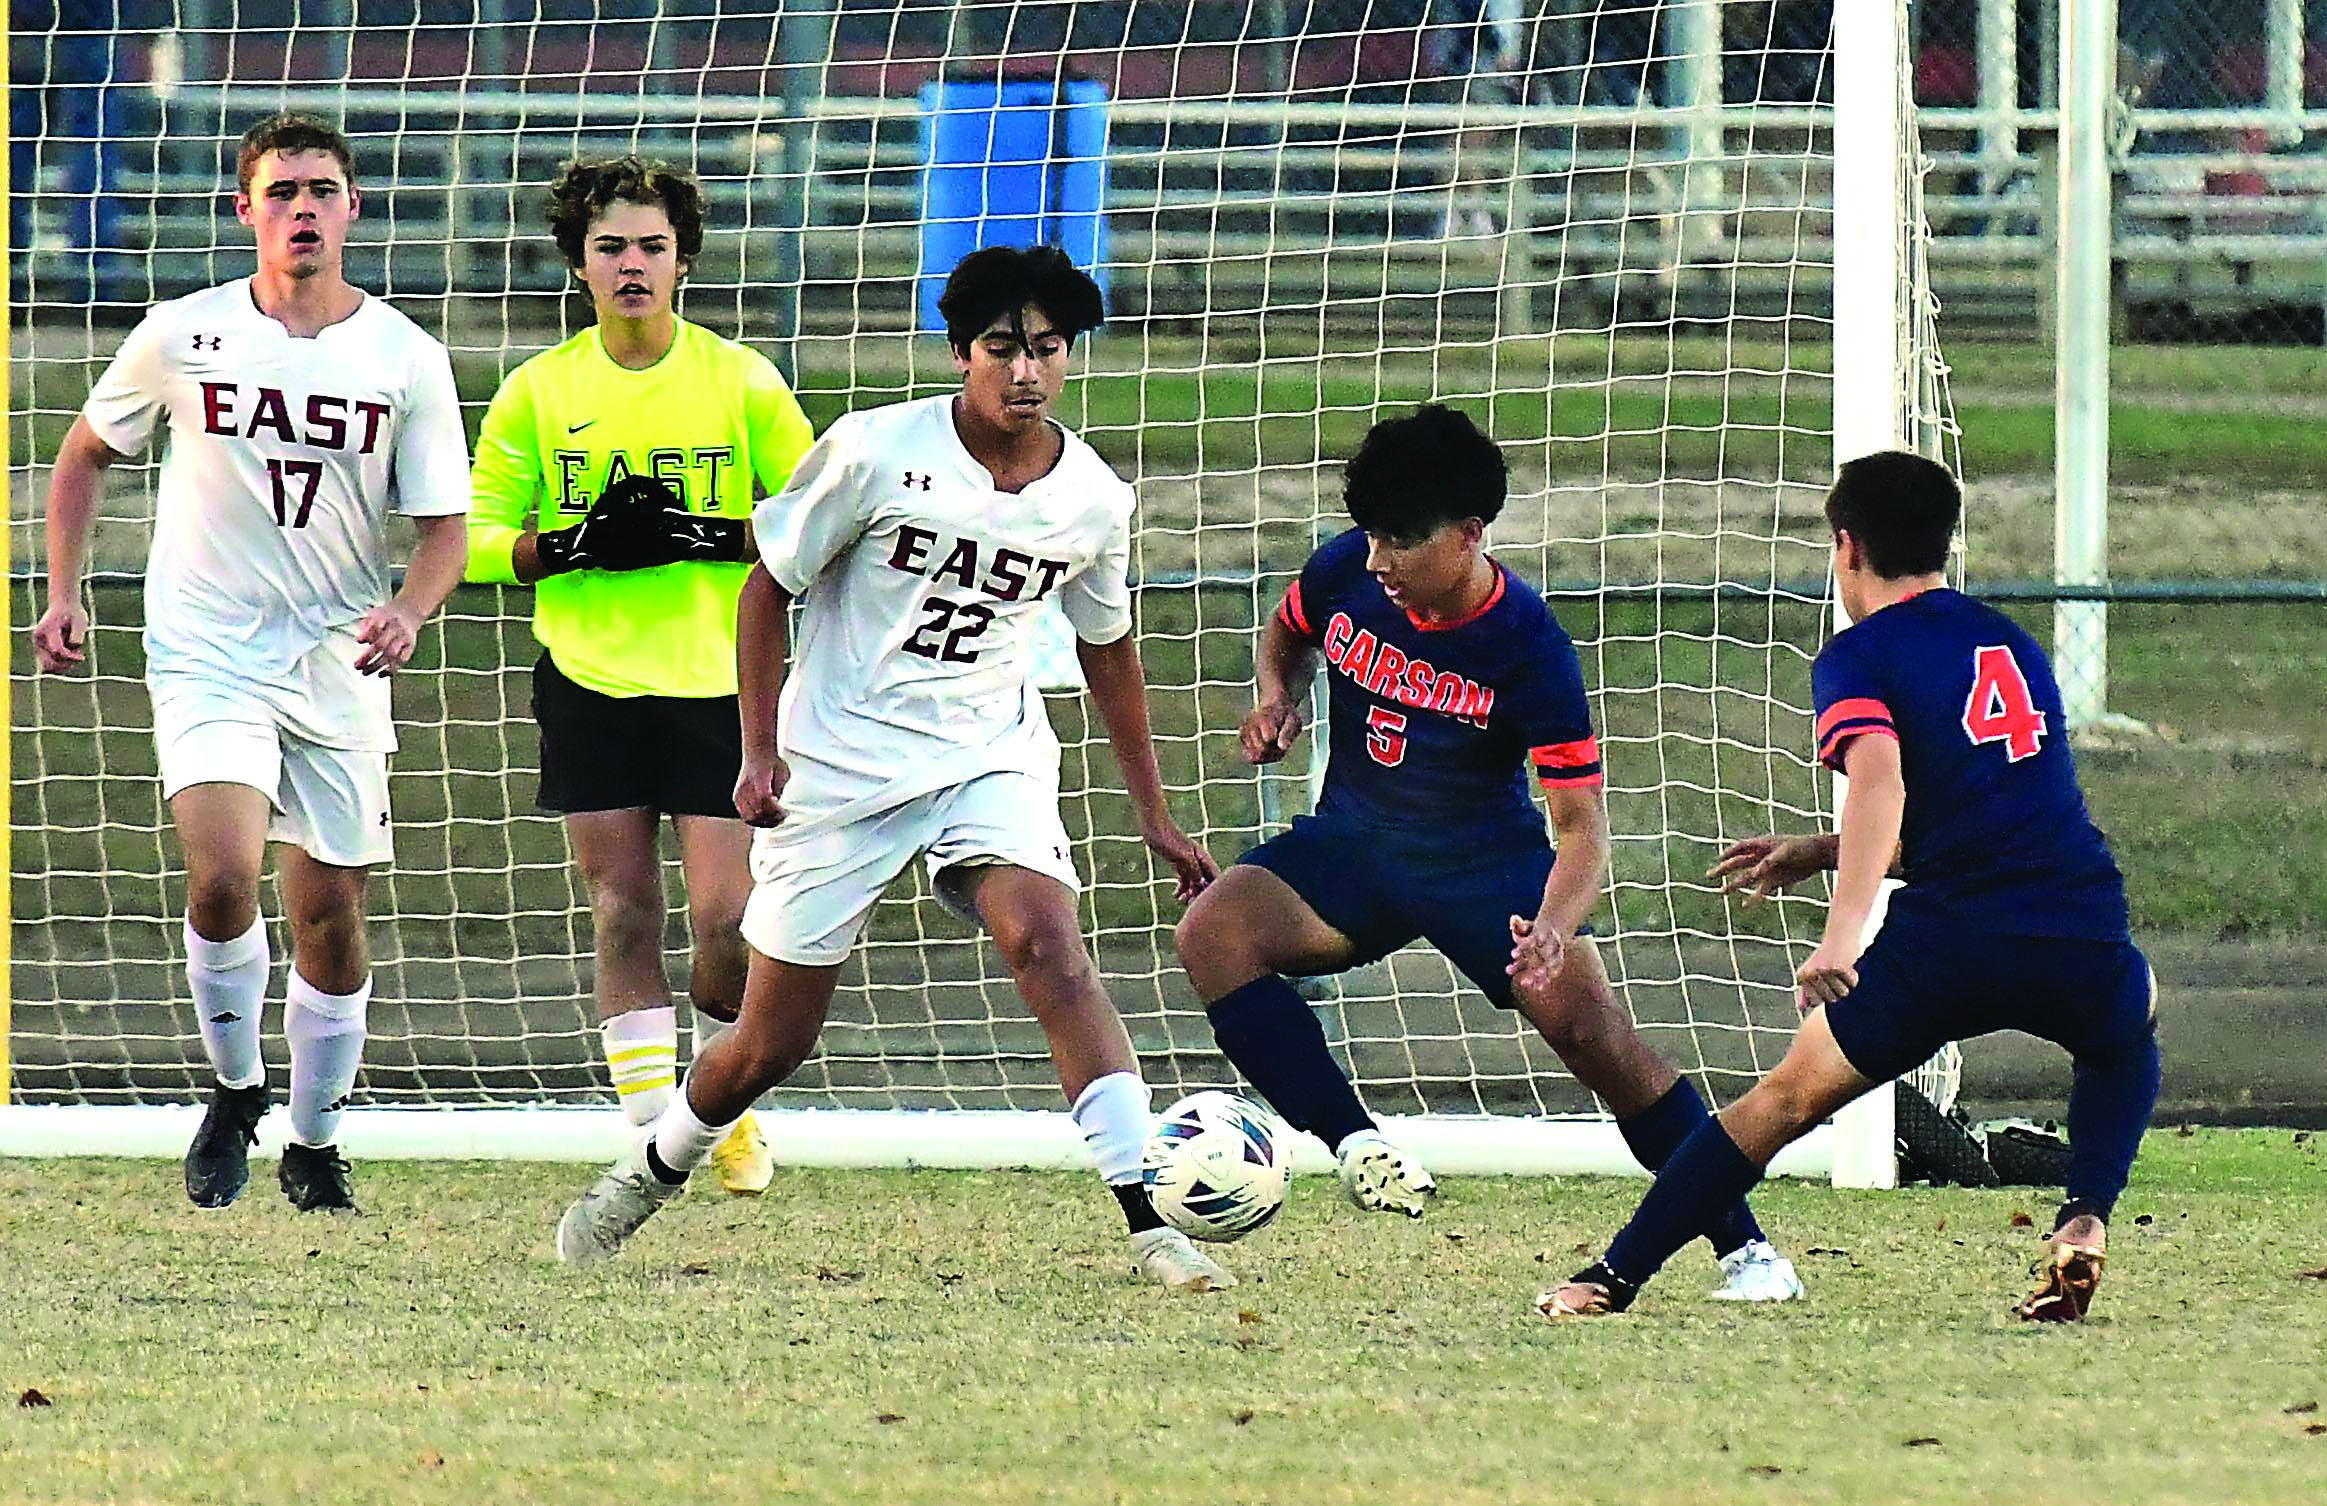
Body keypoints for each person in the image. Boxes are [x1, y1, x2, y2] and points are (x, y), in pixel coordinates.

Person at [553, 245, 1235, 1292]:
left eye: (1046, 350)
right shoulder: (872, 453)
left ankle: (1148, 1222)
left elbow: (1107, 648)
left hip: (985, 757)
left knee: (1047, 944)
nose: (1024, 374)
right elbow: (765, 587)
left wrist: (1152, 809)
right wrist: (760, 748)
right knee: (767, 1045)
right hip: (841, 772)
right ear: (961, 351)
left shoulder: (1092, 499)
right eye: (1001, 348)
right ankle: (651, 1167)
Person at [1173, 404, 1800, 1303]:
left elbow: (1583, 831)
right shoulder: (1349, 567)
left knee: (1602, 1044)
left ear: (1469, 536)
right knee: (1212, 934)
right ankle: (1358, 1144)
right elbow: (1288, 630)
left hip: (1483, 872)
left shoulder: (1528, 648)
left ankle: (1747, 1251)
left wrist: (1550, 929)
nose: (1380, 560)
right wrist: (1277, 699)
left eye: (1402, 541)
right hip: (1352, 845)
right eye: (1372, 537)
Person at [1540, 450, 2160, 1323]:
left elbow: (1879, 782)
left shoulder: (1858, 655)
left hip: (1952, 943)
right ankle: (2086, 1215)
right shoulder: (2008, 641)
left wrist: (1840, 939)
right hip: (2076, 915)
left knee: (1781, 1102)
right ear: (1945, 542)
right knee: (2124, 1033)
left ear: (1845, 547)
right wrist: (1822, 850)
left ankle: (1608, 1278)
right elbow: (1983, 817)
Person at [32, 113, 471, 1212]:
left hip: (337, 660)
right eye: (282, 192)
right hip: (207, 648)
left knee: (329, 918)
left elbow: (445, 530)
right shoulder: (182, 333)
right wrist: (64, 590)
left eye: (323, 189)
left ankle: (315, 1143)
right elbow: (85, 453)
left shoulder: (405, 358)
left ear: (355, 208)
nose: (304, 209)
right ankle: (235, 1091)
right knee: (223, 874)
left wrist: (411, 611)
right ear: (247, 210)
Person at [467, 156, 816, 1196]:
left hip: (720, 684)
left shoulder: (738, 380)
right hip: (589, 681)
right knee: (621, 909)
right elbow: (478, 537)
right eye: (610, 246)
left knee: (726, 920)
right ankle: (656, 1127)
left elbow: (813, 517)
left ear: (682, 262)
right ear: (578, 263)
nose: (631, 265)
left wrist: (710, 531)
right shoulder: (538, 391)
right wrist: (572, 547)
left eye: (651, 247)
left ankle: (721, 1098)